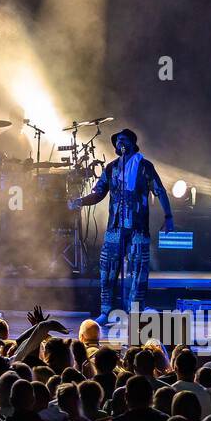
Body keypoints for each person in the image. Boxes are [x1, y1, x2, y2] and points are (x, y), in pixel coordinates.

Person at [70, 128, 174, 320]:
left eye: (124, 140)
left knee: (138, 273)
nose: (120, 143)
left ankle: (136, 314)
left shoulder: (145, 166)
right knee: (107, 269)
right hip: (115, 228)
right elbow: (99, 192)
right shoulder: (111, 168)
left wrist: (168, 217)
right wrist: (81, 201)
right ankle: (105, 311)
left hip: (138, 228)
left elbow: (159, 191)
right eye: (117, 141)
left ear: (133, 144)